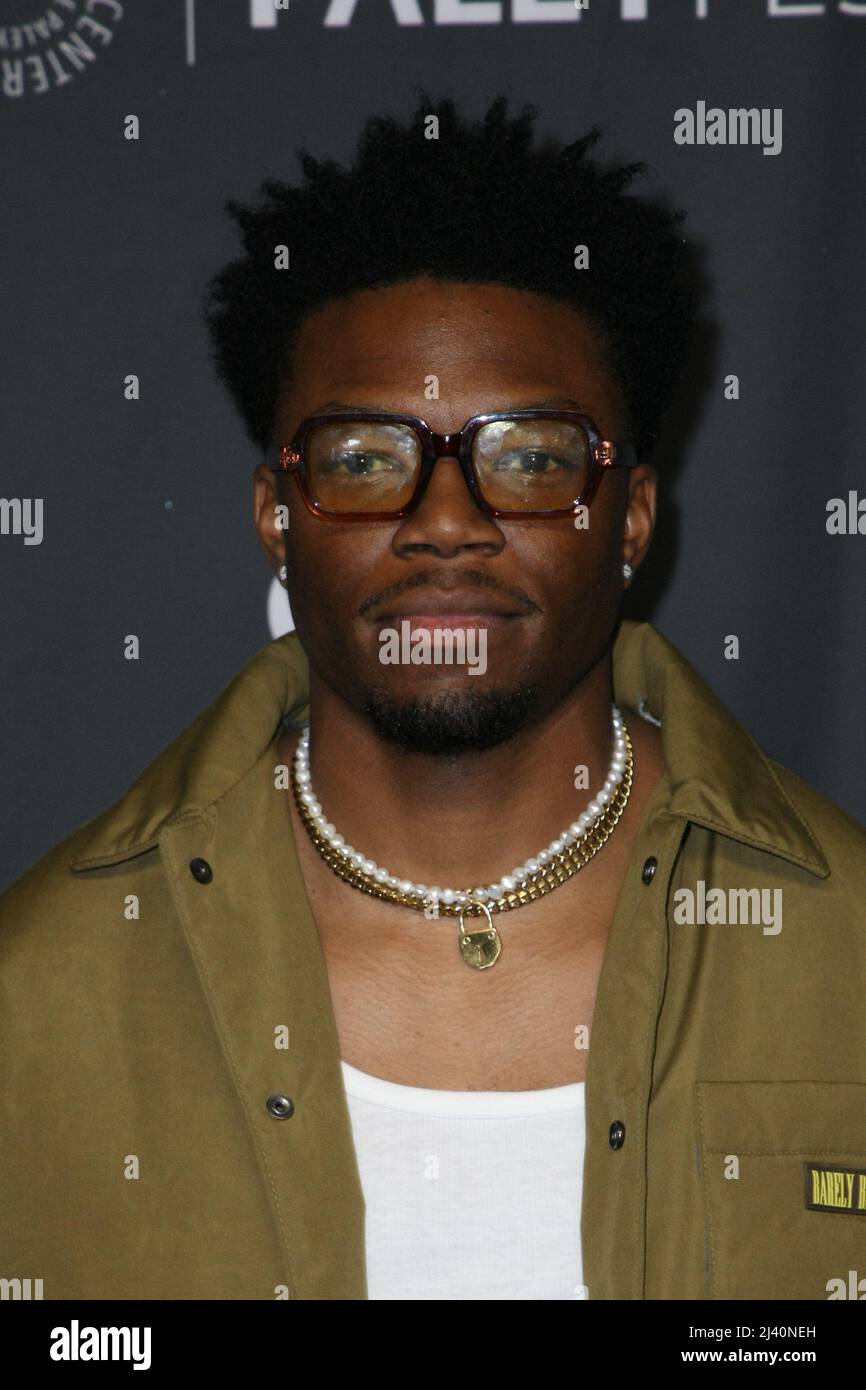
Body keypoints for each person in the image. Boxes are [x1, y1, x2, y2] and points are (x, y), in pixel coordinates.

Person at [2, 93, 865, 1303]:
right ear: (275, 519)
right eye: (363, 459)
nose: (445, 522)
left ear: (628, 520)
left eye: (527, 457)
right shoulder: (38, 996)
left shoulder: (847, 959)